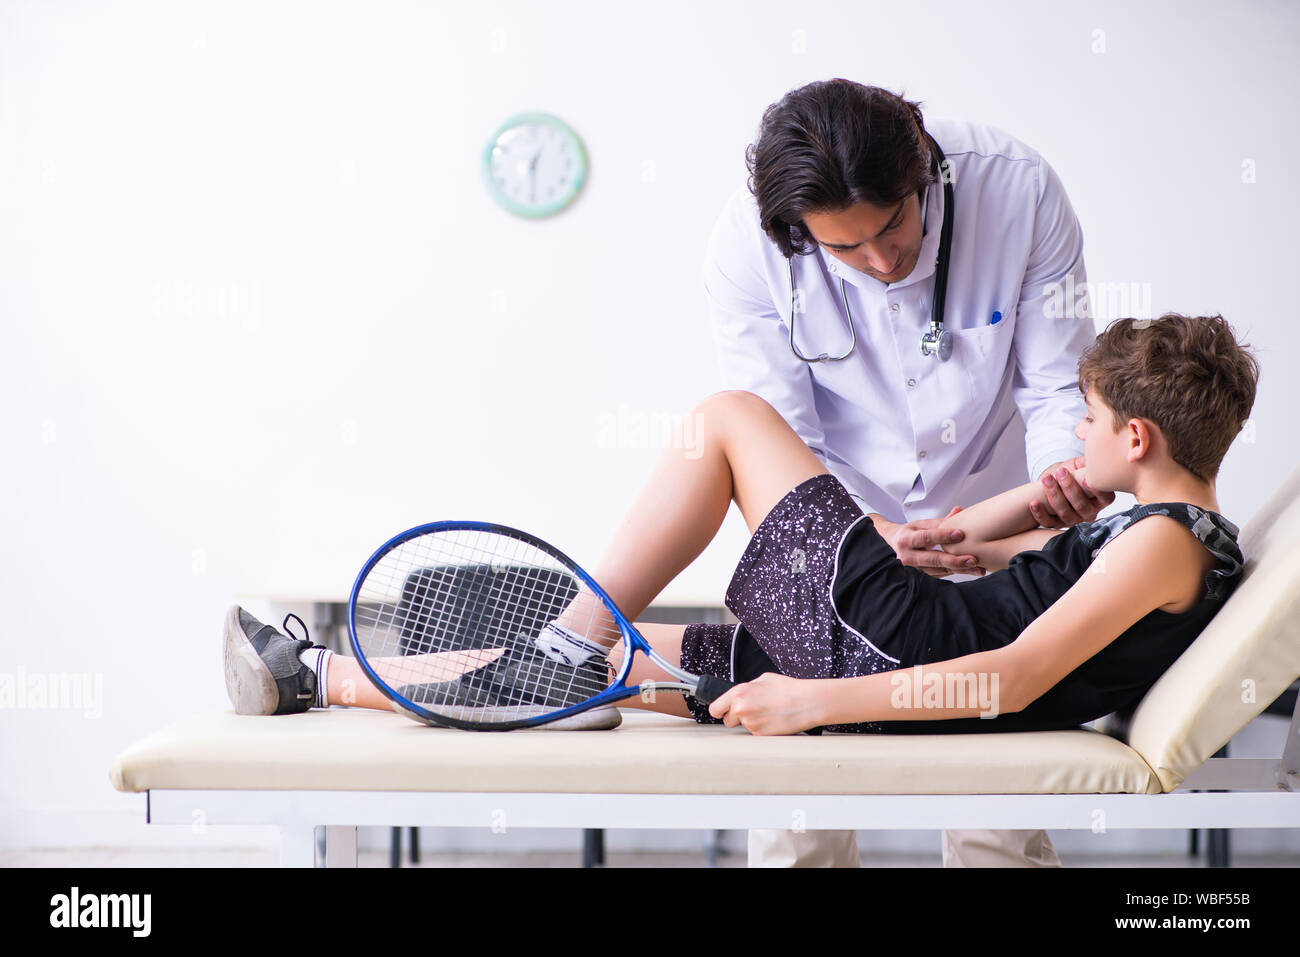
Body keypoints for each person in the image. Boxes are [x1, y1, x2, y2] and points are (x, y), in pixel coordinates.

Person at [225, 314, 1257, 860]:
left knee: (725, 416)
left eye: (1084, 419)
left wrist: (817, 703)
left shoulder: (1163, 543)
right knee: (622, 669)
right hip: (899, 638)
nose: (1072, 434)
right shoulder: (1158, 531)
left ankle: (571, 641)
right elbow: (952, 557)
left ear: (1136, 437)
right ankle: (318, 674)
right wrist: (1025, 510)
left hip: (890, 651)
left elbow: (1015, 678)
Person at [703, 78, 1110, 866]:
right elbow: (778, 435)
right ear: (797, 232)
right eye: (845, 249)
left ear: (922, 167)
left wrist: (1062, 478)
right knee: (799, 813)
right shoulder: (743, 248)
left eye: (894, 226)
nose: (883, 261)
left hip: (994, 510)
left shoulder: (1018, 189)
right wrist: (859, 536)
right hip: (839, 518)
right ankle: (569, 644)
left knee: (996, 808)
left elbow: (1058, 382)